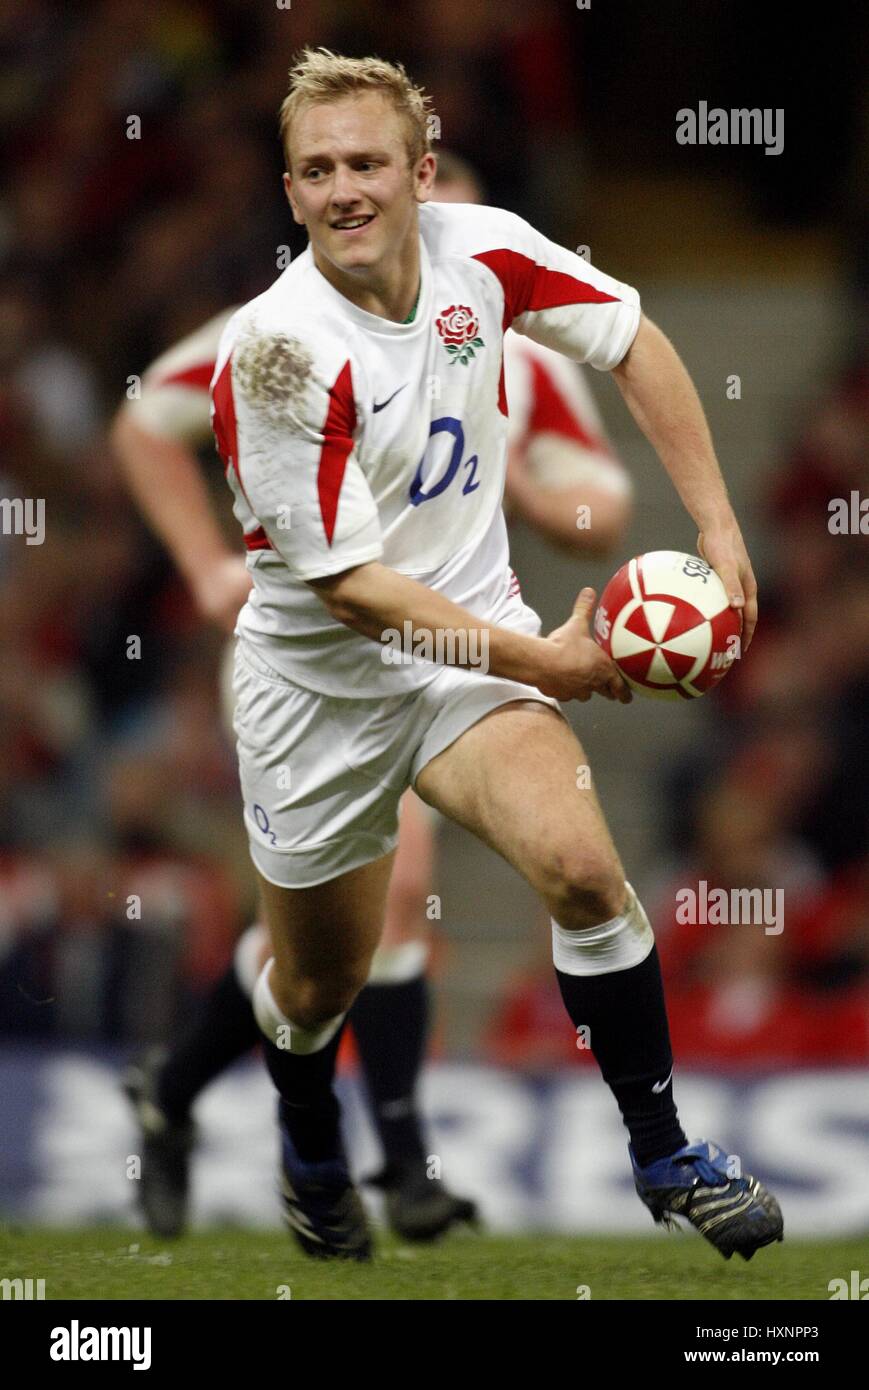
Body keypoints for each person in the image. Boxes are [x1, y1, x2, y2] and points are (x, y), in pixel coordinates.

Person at [209, 47, 778, 1263]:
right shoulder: (273, 352)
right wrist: (544, 660)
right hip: (317, 691)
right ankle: (309, 1141)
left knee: (580, 864)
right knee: (317, 992)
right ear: (291, 189)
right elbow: (355, 593)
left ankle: (664, 1150)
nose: (343, 189)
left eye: (366, 162)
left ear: (421, 173)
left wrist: (718, 527)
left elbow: (634, 341)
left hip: (464, 650)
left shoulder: (485, 248)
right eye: (316, 170)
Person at [111, 143, 631, 1242]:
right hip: (317, 655)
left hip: (452, 649)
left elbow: (602, 510)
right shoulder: (291, 322)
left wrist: (540, 494)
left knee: (374, 923)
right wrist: (204, 563)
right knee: (328, 944)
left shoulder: (509, 320)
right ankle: (313, 1138)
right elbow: (144, 421)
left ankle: (368, 1155)